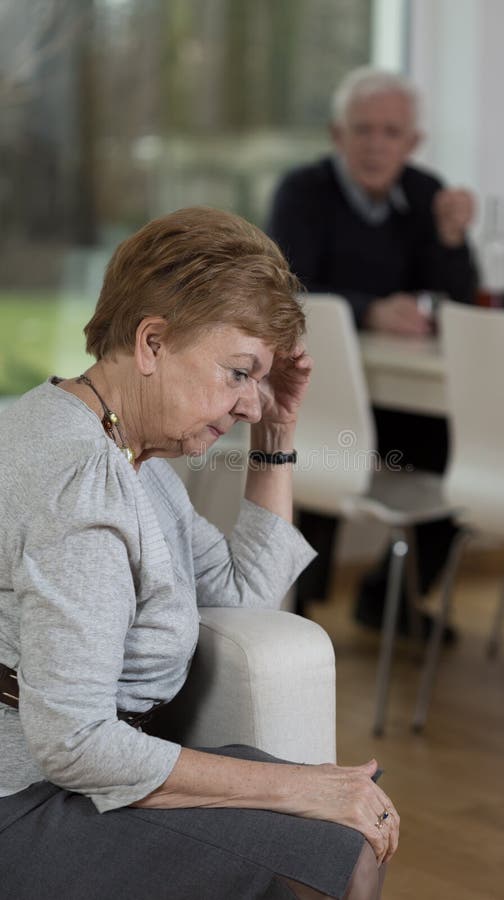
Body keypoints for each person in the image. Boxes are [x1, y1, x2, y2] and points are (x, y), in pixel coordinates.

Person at [0, 207, 399, 900]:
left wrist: (276, 433)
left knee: (346, 825)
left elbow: (244, 594)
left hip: (73, 777)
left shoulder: (132, 456)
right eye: (239, 372)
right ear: (152, 341)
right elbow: (75, 743)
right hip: (26, 798)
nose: (249, 402)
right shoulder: (85, 489)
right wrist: (299, 787)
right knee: (331, 855)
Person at [267, 67, 477, 627]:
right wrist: (370, 310)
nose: (377, 144)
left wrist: (452, 241)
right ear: (338, 135)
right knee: (320, 444)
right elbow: (284, 287)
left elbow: (460, 301)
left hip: (401, 402)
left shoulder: (428, 193)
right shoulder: (303, 193)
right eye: (363, 130)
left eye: (391, 132)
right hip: (317, 394)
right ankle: (294, 613)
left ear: (413, 142)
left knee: (467, 450)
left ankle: (391, 597)